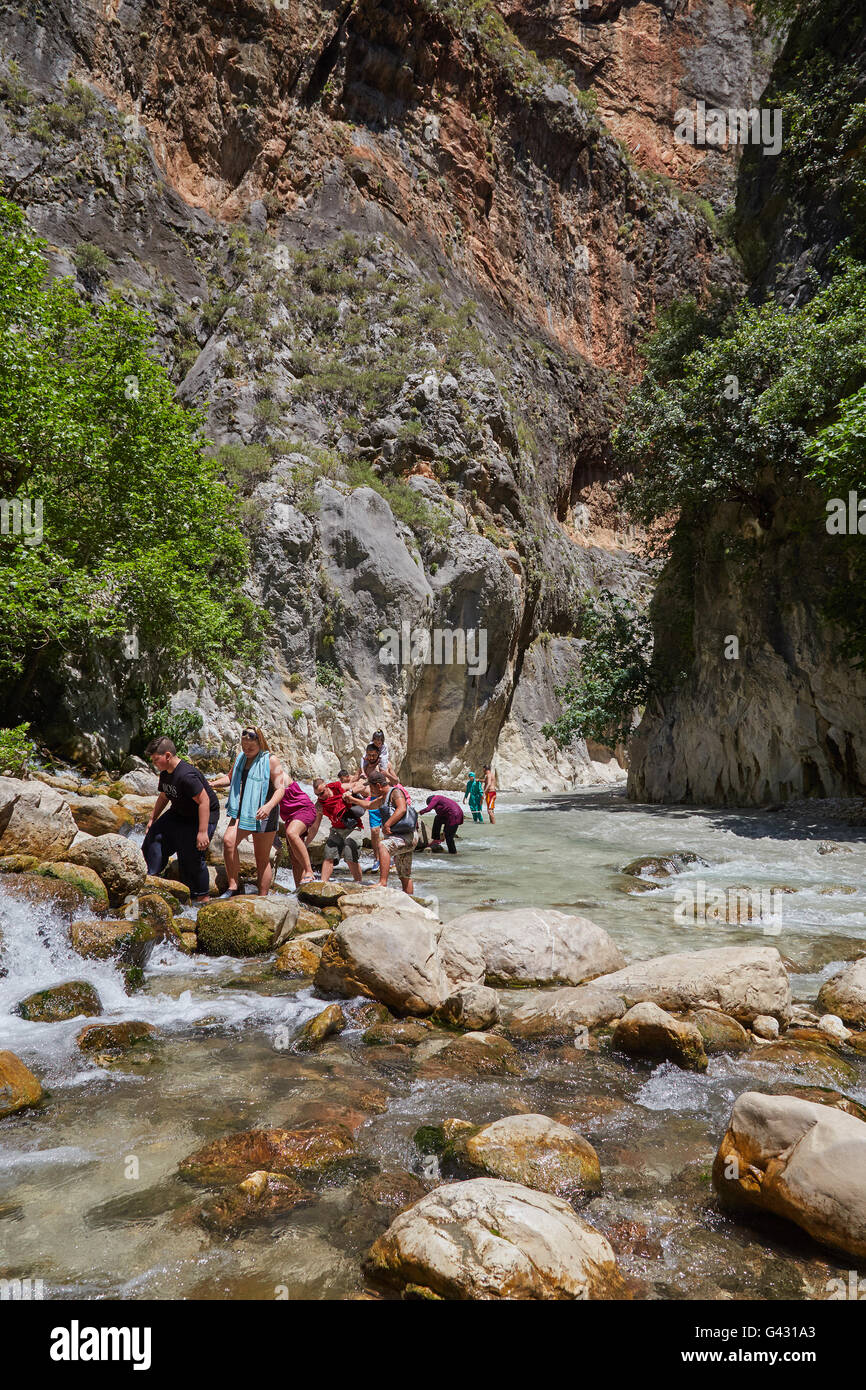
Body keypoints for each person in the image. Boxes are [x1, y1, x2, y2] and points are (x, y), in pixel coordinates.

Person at [209, 727, 287, 896]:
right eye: (244, 747)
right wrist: (212, 784)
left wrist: (268, 806)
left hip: (264, 811)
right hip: (242, 809)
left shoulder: (270, 760)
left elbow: (281, 788)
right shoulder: (241, 758)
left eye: (251, 747)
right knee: (229, 842)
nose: (247, 750)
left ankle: (262, 897)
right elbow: (230, 778)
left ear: (260, 743)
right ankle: (233, 886)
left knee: (262, 859)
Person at [142, 736, 220, 902]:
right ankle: (150, 876)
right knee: (155, 834)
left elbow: (204, 801)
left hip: (202, 815)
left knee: (191, 853)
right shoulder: (165, 773)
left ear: (168, 756)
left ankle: (202, 898)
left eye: (156, 760)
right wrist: (152, 819)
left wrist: (202, 832)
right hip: (180, 813)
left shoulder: (186, 775)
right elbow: (164, 797)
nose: (154, 764)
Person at [348, 771, 419, 894]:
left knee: (382, 845)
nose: (369, 789)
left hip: (406, 837)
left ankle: (382, 882)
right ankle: (412, 901)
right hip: (402, 837)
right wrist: (352, 799)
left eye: (370, 786)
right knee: (404, 875)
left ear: (378, 785)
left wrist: (387, 824)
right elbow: (369, 805)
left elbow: (402, 808)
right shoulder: (384, 797)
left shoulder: (395, 792)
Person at [310, 776, 364, 884]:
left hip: (353, 828)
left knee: (350, 854)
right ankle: (323, 884)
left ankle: (358, 883)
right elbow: (315, 826)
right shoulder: (320, 805)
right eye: (317, 795)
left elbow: (361, 785)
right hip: (337, 830)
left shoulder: (340, 787)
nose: (320, 797)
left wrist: (350, 792)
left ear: (326, 786)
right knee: (328, 855)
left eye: (321, 793)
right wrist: (306, 842)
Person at [278, 778, 318, 887]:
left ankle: (309, 871)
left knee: (291, 833)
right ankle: (299, 891)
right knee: (294, 858)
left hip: (303, 809)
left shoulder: (277, 772)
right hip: (289, 817)